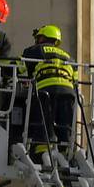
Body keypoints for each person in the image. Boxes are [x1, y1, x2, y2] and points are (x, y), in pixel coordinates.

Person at [22, 24, 78, 156]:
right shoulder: (69, 57)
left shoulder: (34, 50)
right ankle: (65, 150)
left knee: (43, 120)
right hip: (68, 93)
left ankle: (42, 151)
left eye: (38, 37)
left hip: (46, 91)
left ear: (42, 38)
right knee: (64, 124)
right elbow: (75, 79)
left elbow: (20, 67)